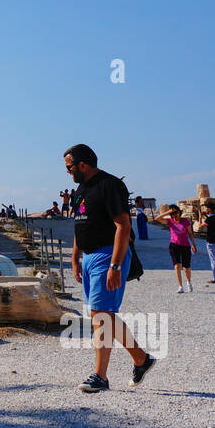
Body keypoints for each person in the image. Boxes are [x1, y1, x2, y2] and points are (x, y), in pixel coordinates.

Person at [64, 143, 156, 393]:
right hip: (89, 257)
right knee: (101, 315)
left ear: (82, 165)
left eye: (69, 167)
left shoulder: (110, 185)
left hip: (108, 254)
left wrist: (116, 264)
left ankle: (100, 376)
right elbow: (80, 224)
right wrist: (75, 257)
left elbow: (123, 225)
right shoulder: (80, 190)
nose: (68, 172)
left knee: (101, 316)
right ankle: (141, 359)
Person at [159, 204, 197, 293]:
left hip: (185, 246)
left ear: (179, 212)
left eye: (176, 213)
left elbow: (190, 234)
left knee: (186, 267)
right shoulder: (170, 221)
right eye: (173, 213)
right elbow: (157, 218)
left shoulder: (186, 221)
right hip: (174, 245)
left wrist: (193, 244)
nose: (174, 215)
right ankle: (180, 286)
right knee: (177, 266)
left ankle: (189, 281)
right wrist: (168, 212)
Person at [194, 202, 215, 283]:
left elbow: (200, 226)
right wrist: (204, 216)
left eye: (206, 208)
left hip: (211, 241)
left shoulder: (209, 219)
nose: (205, 209)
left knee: (214, 260)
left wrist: (200, 217)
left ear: (209, 209)